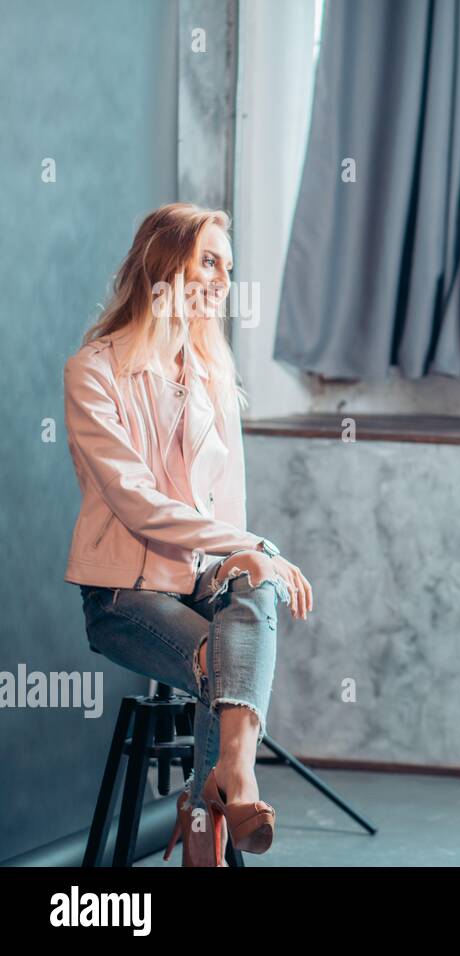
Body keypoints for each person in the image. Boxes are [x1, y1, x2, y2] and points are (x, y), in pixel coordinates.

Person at [63, 202, 314, 866]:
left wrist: (251, 554)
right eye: (208, 260)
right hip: (122, 597)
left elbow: (226, 510)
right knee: (228, 653)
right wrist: (253, 546)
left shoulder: (211, 372)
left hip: (198, 585)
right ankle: (219, 797)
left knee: (256, 587)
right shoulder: (94, 371)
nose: (223, 280)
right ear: (163, 261)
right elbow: (136, 502)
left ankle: (222, 788)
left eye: (228, 267)